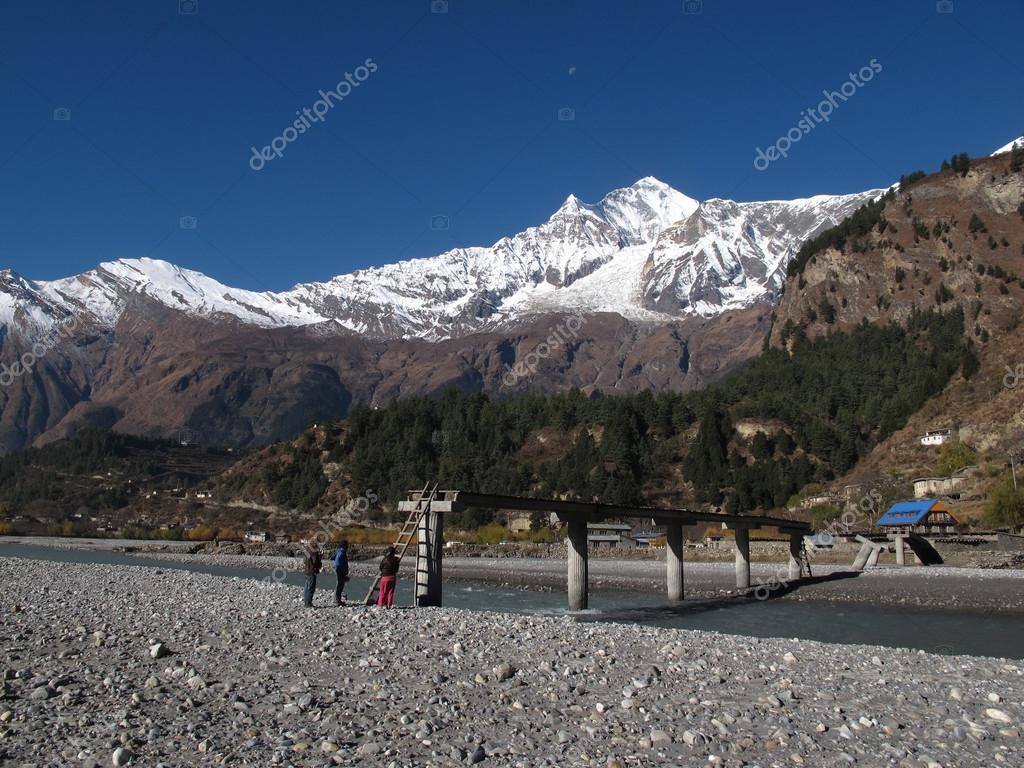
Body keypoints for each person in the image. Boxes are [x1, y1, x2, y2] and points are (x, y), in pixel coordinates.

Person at [302, 543, 322, 608]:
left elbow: (304, 561)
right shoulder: (314, 553)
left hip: (306, 571)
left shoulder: (306, 551)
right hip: (312, 571)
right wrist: (319, 558)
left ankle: (306, 603)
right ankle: (308, 604)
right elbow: (315, 563)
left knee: (306, 587)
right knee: (311, 588)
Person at [333, 539, 350, 605]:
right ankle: (337, 600)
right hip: (340, 571)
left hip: (339, 570)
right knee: (340, 586)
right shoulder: (342, 552)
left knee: (339, 585)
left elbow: (335, 558)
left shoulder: (338, 551)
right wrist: (342, 571)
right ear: (344, 546)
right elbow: (338, 562)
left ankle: (336, 599)